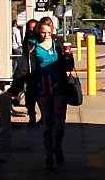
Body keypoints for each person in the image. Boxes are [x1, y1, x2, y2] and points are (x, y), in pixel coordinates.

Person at [23, 13, 76, 167]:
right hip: (42, 87)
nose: (46, 35)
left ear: (52, 31)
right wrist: (16, 86)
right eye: (43, 32)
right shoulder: (32, 45)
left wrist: (68, 56)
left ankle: (57, 148)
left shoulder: (58, 43)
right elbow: (25, 67)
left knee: (59, 122)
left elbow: (68, 67)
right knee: (48, 122)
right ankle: (48, 155)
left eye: (48, 32)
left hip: (59, 86)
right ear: (39, 31)